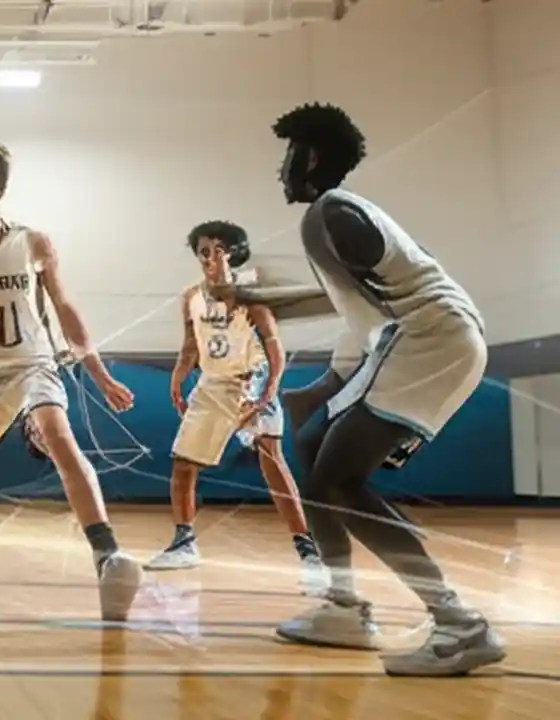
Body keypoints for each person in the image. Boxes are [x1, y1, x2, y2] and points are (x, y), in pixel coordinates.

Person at [267, 102, 505, 676]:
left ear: (312, 156)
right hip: (421, 334)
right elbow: (357, 296)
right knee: (310, 442)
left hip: (426, 336)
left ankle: (458, 625)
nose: (282, 169)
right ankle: (344, 606)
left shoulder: (329, 214)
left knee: (339, 479)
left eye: (289, 154)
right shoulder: (341, 216)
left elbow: (379, 299)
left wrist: (261, 301)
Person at [0, 137, 142, 625]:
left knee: (57, 435)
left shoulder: (32, 242)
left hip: (32, 363)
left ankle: (107, 556)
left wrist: (96, 371)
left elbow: (64, 307)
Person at [147, 220, 328, 594]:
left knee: (272, 461)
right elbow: (190, 344)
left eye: (216, 249)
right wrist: (178, 376)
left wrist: (269, 391)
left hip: (251, 381)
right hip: (212, 385)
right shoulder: (191, 297)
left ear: (232, 252)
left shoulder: (252, 295)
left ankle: (309, 553)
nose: (208, 257)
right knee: (183, 464)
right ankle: (184, 543)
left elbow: (275, 349)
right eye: (202, 250)